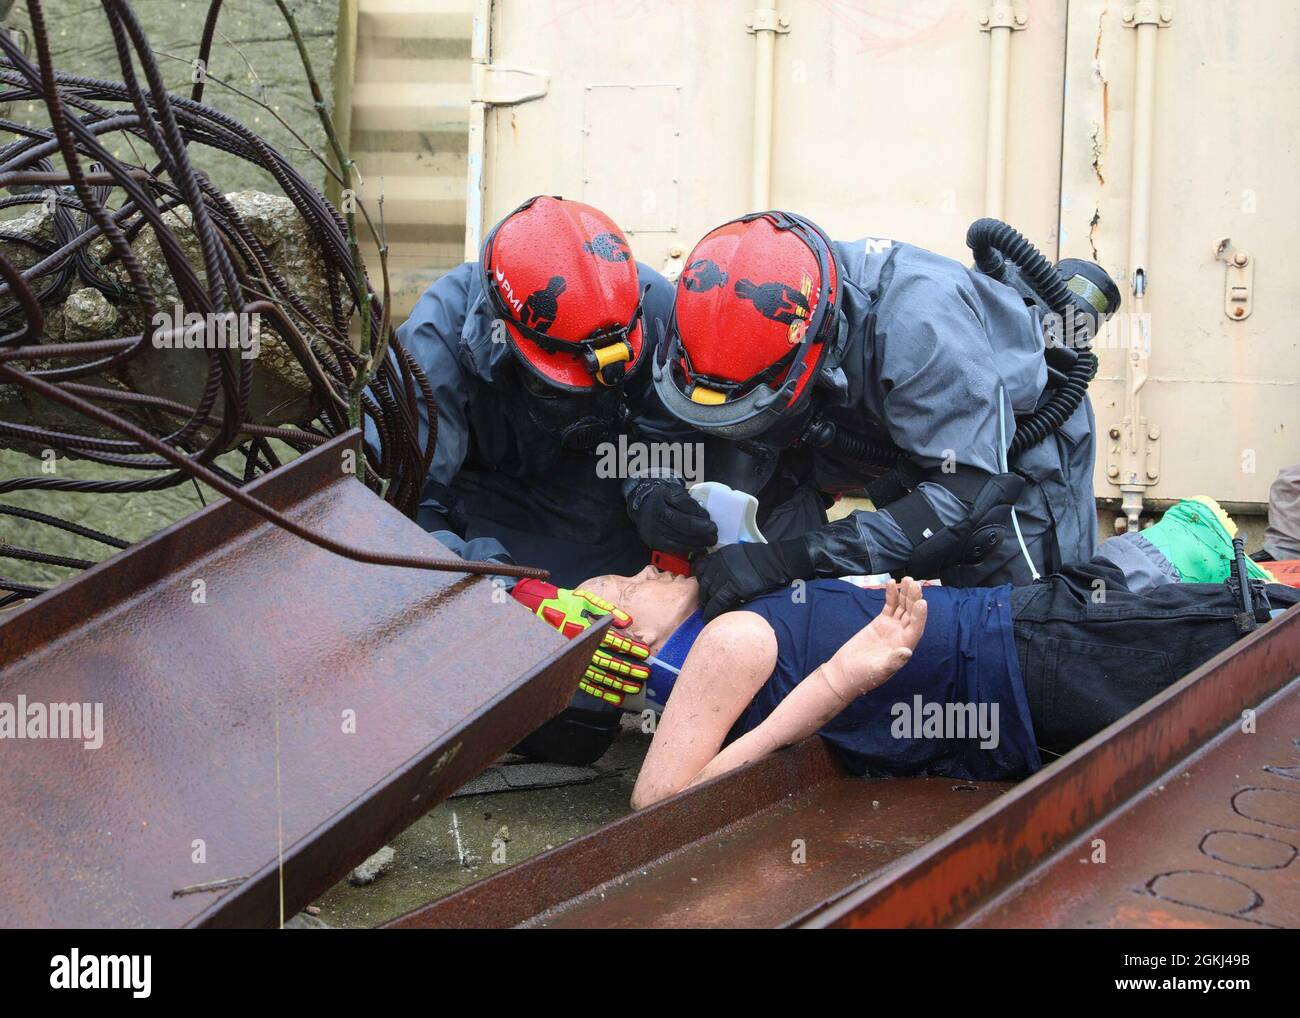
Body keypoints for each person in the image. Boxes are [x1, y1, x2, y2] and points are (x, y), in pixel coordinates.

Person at [554, 497, 1291, 809]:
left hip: (1015, 652)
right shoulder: (725, 640)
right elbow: (657, 802)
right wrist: (840, 679)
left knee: (1241, 654)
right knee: (1245, 651)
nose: (650, 570)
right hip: (1017, 658)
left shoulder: (735, 613)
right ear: (627, 632)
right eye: (630, 580)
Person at [652, 211, 1121, 620]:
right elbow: (669, 418)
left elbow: (964, 497)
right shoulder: (724, 295)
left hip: (1007, 447)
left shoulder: (918, 328)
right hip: (886, 422)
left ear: (821, 345)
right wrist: (649, 487)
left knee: (1015, 616)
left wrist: (792, 560)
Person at [383, 196, 716, 764]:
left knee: (598, 700)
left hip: (597, 498)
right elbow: (395, 517)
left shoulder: (652, 305)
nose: (584, 398)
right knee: (562, 710)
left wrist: (655, 488)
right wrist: (508, 593)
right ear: (507, 336)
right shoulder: (435, 343)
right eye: (565, 386)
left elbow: (665, 430)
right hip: (486, 520)